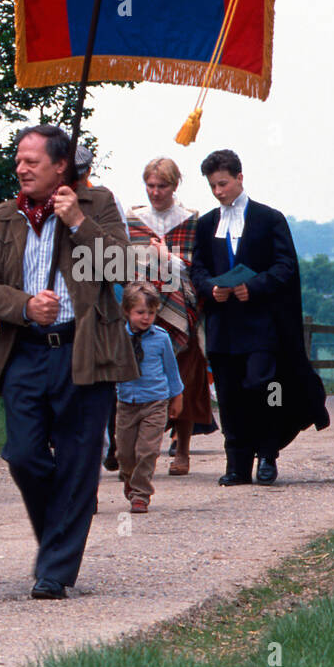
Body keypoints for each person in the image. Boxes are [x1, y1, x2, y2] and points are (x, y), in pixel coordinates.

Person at [0, 124, 137, 599]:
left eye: (31, 162)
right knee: (22, 455)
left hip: (85, 353)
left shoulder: (96, 205)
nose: (20, 168)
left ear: (60, 166)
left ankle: (55, 571)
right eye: (18, 160)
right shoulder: (5, 216)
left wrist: (78, 224)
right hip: (25, 351)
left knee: (78, 462)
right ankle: (57, 542)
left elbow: (121, 267)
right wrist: (23, 305)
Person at [189, 150, 329, 485]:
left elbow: (285, 266)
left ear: (239, 177)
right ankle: (237, 464)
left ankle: (267, 454)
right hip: (223, 325)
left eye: (223, 183)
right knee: (229, 394)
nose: (219, 191)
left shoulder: (269, 218)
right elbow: (198, 268)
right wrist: (210, 288)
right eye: (212, 186)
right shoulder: (208, 223)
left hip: (262, 324)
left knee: (265, 387)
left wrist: (254, 286)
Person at [125, 157, 215, 475]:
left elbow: (194, 265)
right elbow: (128, 264)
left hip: (181, 307)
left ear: (175, 186)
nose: (155, 192)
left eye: (162, 186)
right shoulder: (134, 218)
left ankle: (183, 450)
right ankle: (134, 448)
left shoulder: (190, 220)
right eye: (150, 185)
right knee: (138, 372)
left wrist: (166, 258)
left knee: (186, 377)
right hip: (143, 306)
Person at [114, 282, 184, 513]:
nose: (146, 318)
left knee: (147, 451)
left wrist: (177, 396)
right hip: (126, 403)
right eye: (140, 313)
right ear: (127, 311)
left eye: (151, 313)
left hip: (155, 402)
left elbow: (171, 370)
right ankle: (130, 478)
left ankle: (141, 494)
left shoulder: (161, 338)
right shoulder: (118, 337)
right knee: (124, 453)